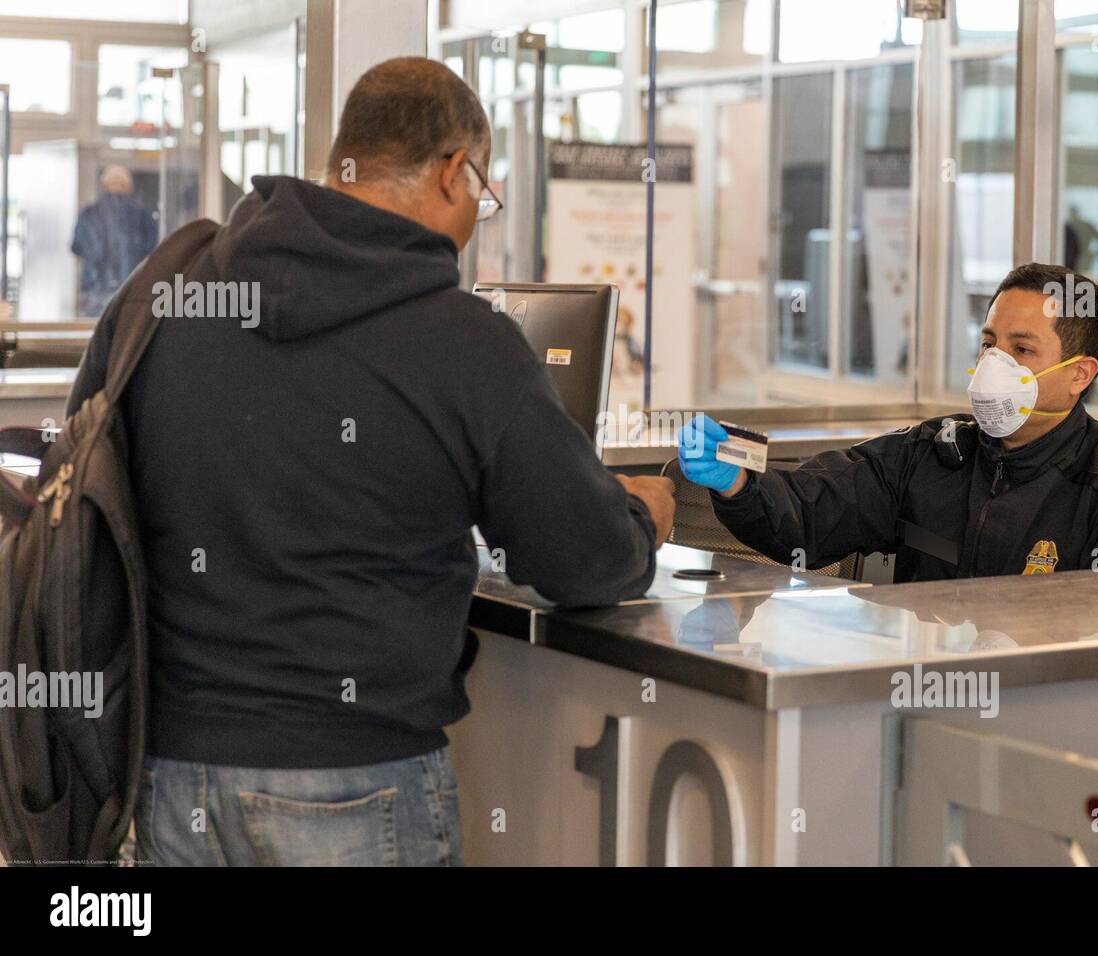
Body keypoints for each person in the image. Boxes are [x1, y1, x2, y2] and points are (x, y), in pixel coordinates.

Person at [67, 57, 676, 866]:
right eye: (482, 194)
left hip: (169, 778)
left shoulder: (170, 288)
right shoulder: (464, 342)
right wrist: (642, 517)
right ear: (455, 173)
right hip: (355, 780)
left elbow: (85, 484)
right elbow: (582, 558)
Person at [678, 263, 1098, 582]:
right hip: (919, 695)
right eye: (989, 343)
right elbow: (813, 513)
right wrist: (741, 485)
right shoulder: (934, 453)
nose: (995, 363)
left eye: (1022, 349)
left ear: (1079, 374)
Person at [70, 164, 157, 317]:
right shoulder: (142, 216)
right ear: (129, 187)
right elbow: (152, 255)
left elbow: (77, 249)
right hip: (132, 292)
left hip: (94, 293)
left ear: (103, 185)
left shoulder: (89, 214)